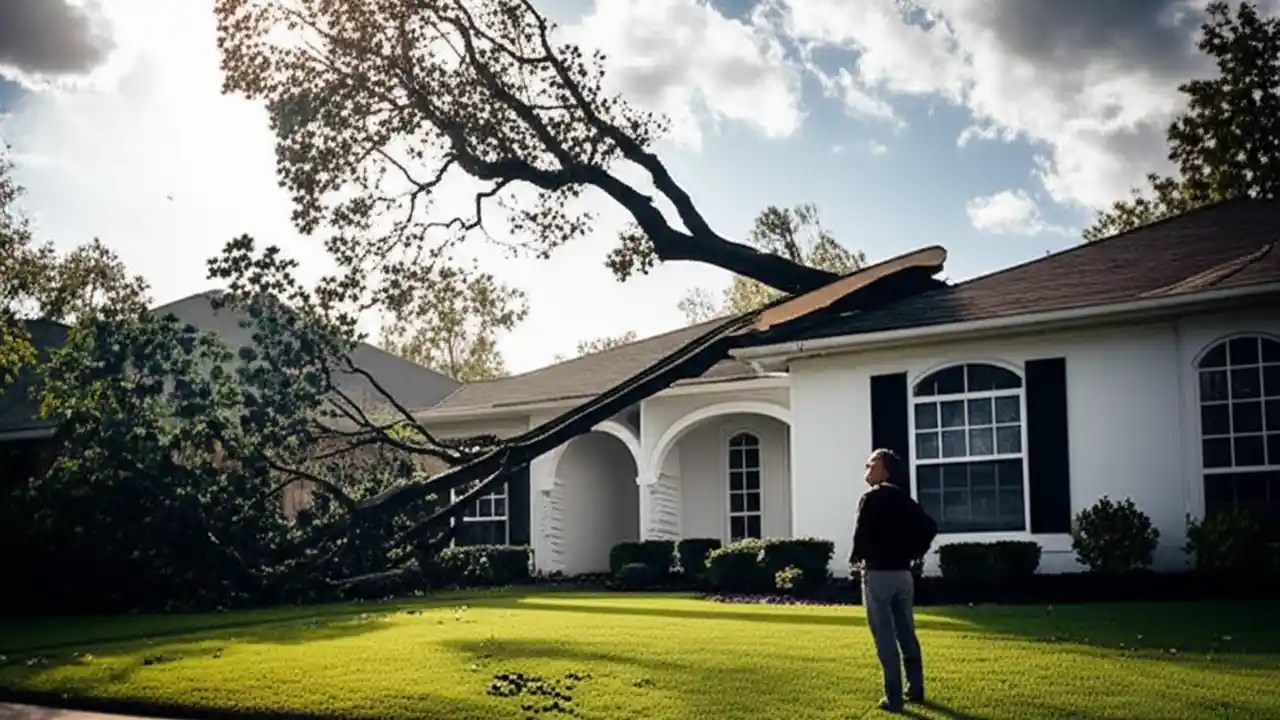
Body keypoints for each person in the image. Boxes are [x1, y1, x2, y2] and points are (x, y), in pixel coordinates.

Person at [850, 448, 938, 713]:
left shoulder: (870, 499)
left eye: (872, 464)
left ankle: (893, 698)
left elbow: (861, 534)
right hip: (903, 576)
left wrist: (857, 559)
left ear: (885, 470)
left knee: (884, 636)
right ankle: (916, 688)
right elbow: (929, 527)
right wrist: (914, 554)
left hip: (877, 575)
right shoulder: (905, 501)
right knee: (906, 632)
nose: (867, 468)